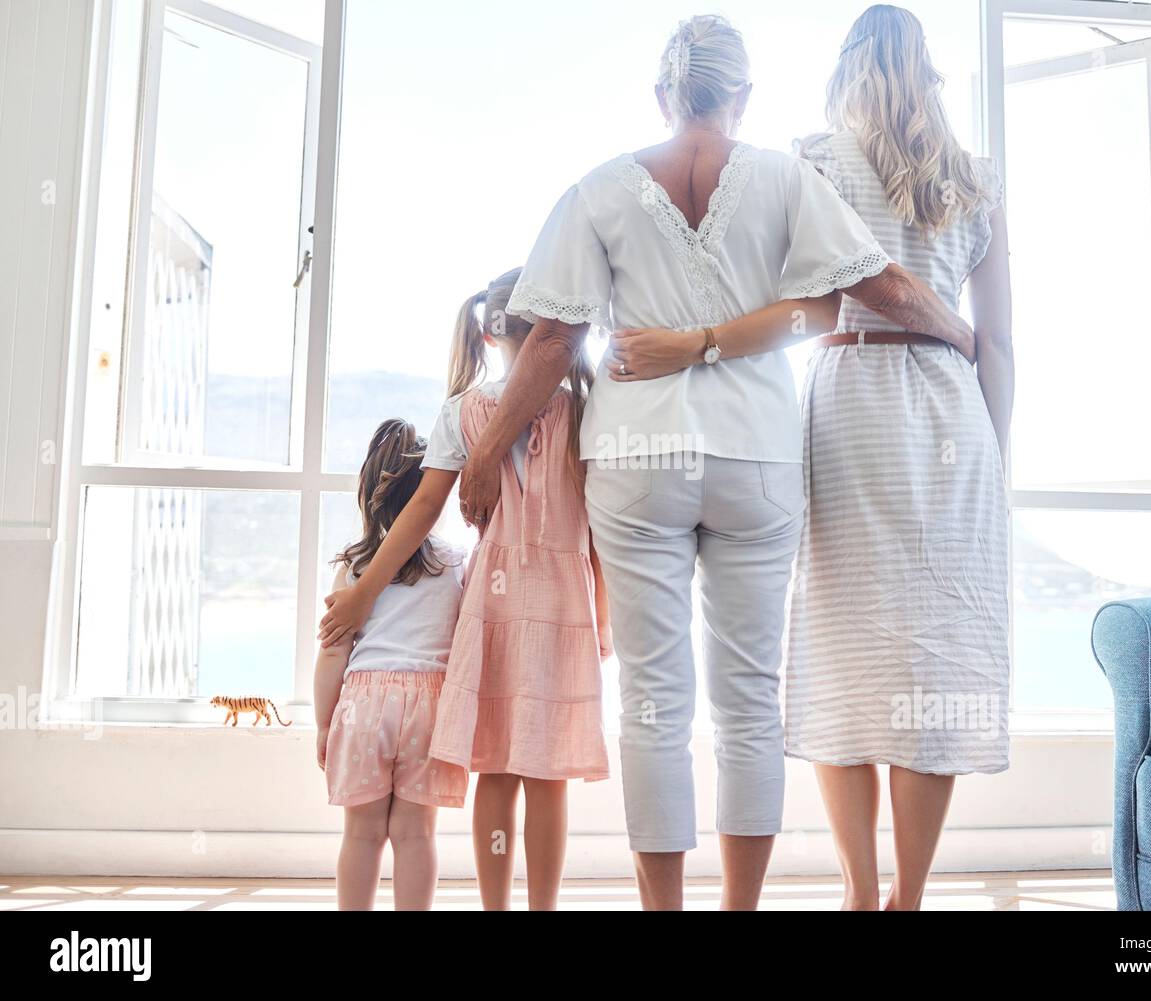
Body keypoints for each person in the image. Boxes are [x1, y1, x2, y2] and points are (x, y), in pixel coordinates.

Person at [455, 15, 976, 911]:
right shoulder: (780, 176)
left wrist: (486, 453)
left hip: (634, 458)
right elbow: (871, 283)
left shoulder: (598, 189)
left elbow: (547, 342)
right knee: (748, 697)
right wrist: (958, 331)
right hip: (758, 458)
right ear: (742, 96)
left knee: (656, 698)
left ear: (663, 94)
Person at [612, 4, 1015, 911]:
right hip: (954, 413)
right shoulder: (976, 179)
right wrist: (993, 455)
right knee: (930, 665)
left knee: (842, 653)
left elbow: (816, 302)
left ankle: (860, 892)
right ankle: (908, 897)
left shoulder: (818, 160)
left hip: (851, 400)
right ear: (930, 69)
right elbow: (1002, 341)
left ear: (848, 69)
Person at [318, 269, 610, 911]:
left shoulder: (462, 410)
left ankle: (496, 908)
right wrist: (607, 610)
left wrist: (365, 591)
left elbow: (423, 507)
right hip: (563, 599)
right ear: (557, 330)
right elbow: (599, 521)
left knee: (497, 773)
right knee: (547, 777)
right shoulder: (587, 406)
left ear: (488, 330)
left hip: (495, 603)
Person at [314, 419, 465, 911]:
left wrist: (323, 723)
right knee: (416, 833)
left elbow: (333, 650)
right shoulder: (455, 563)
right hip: (432, 707)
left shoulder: (354, 568)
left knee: (361, 834)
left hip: (363, 704)